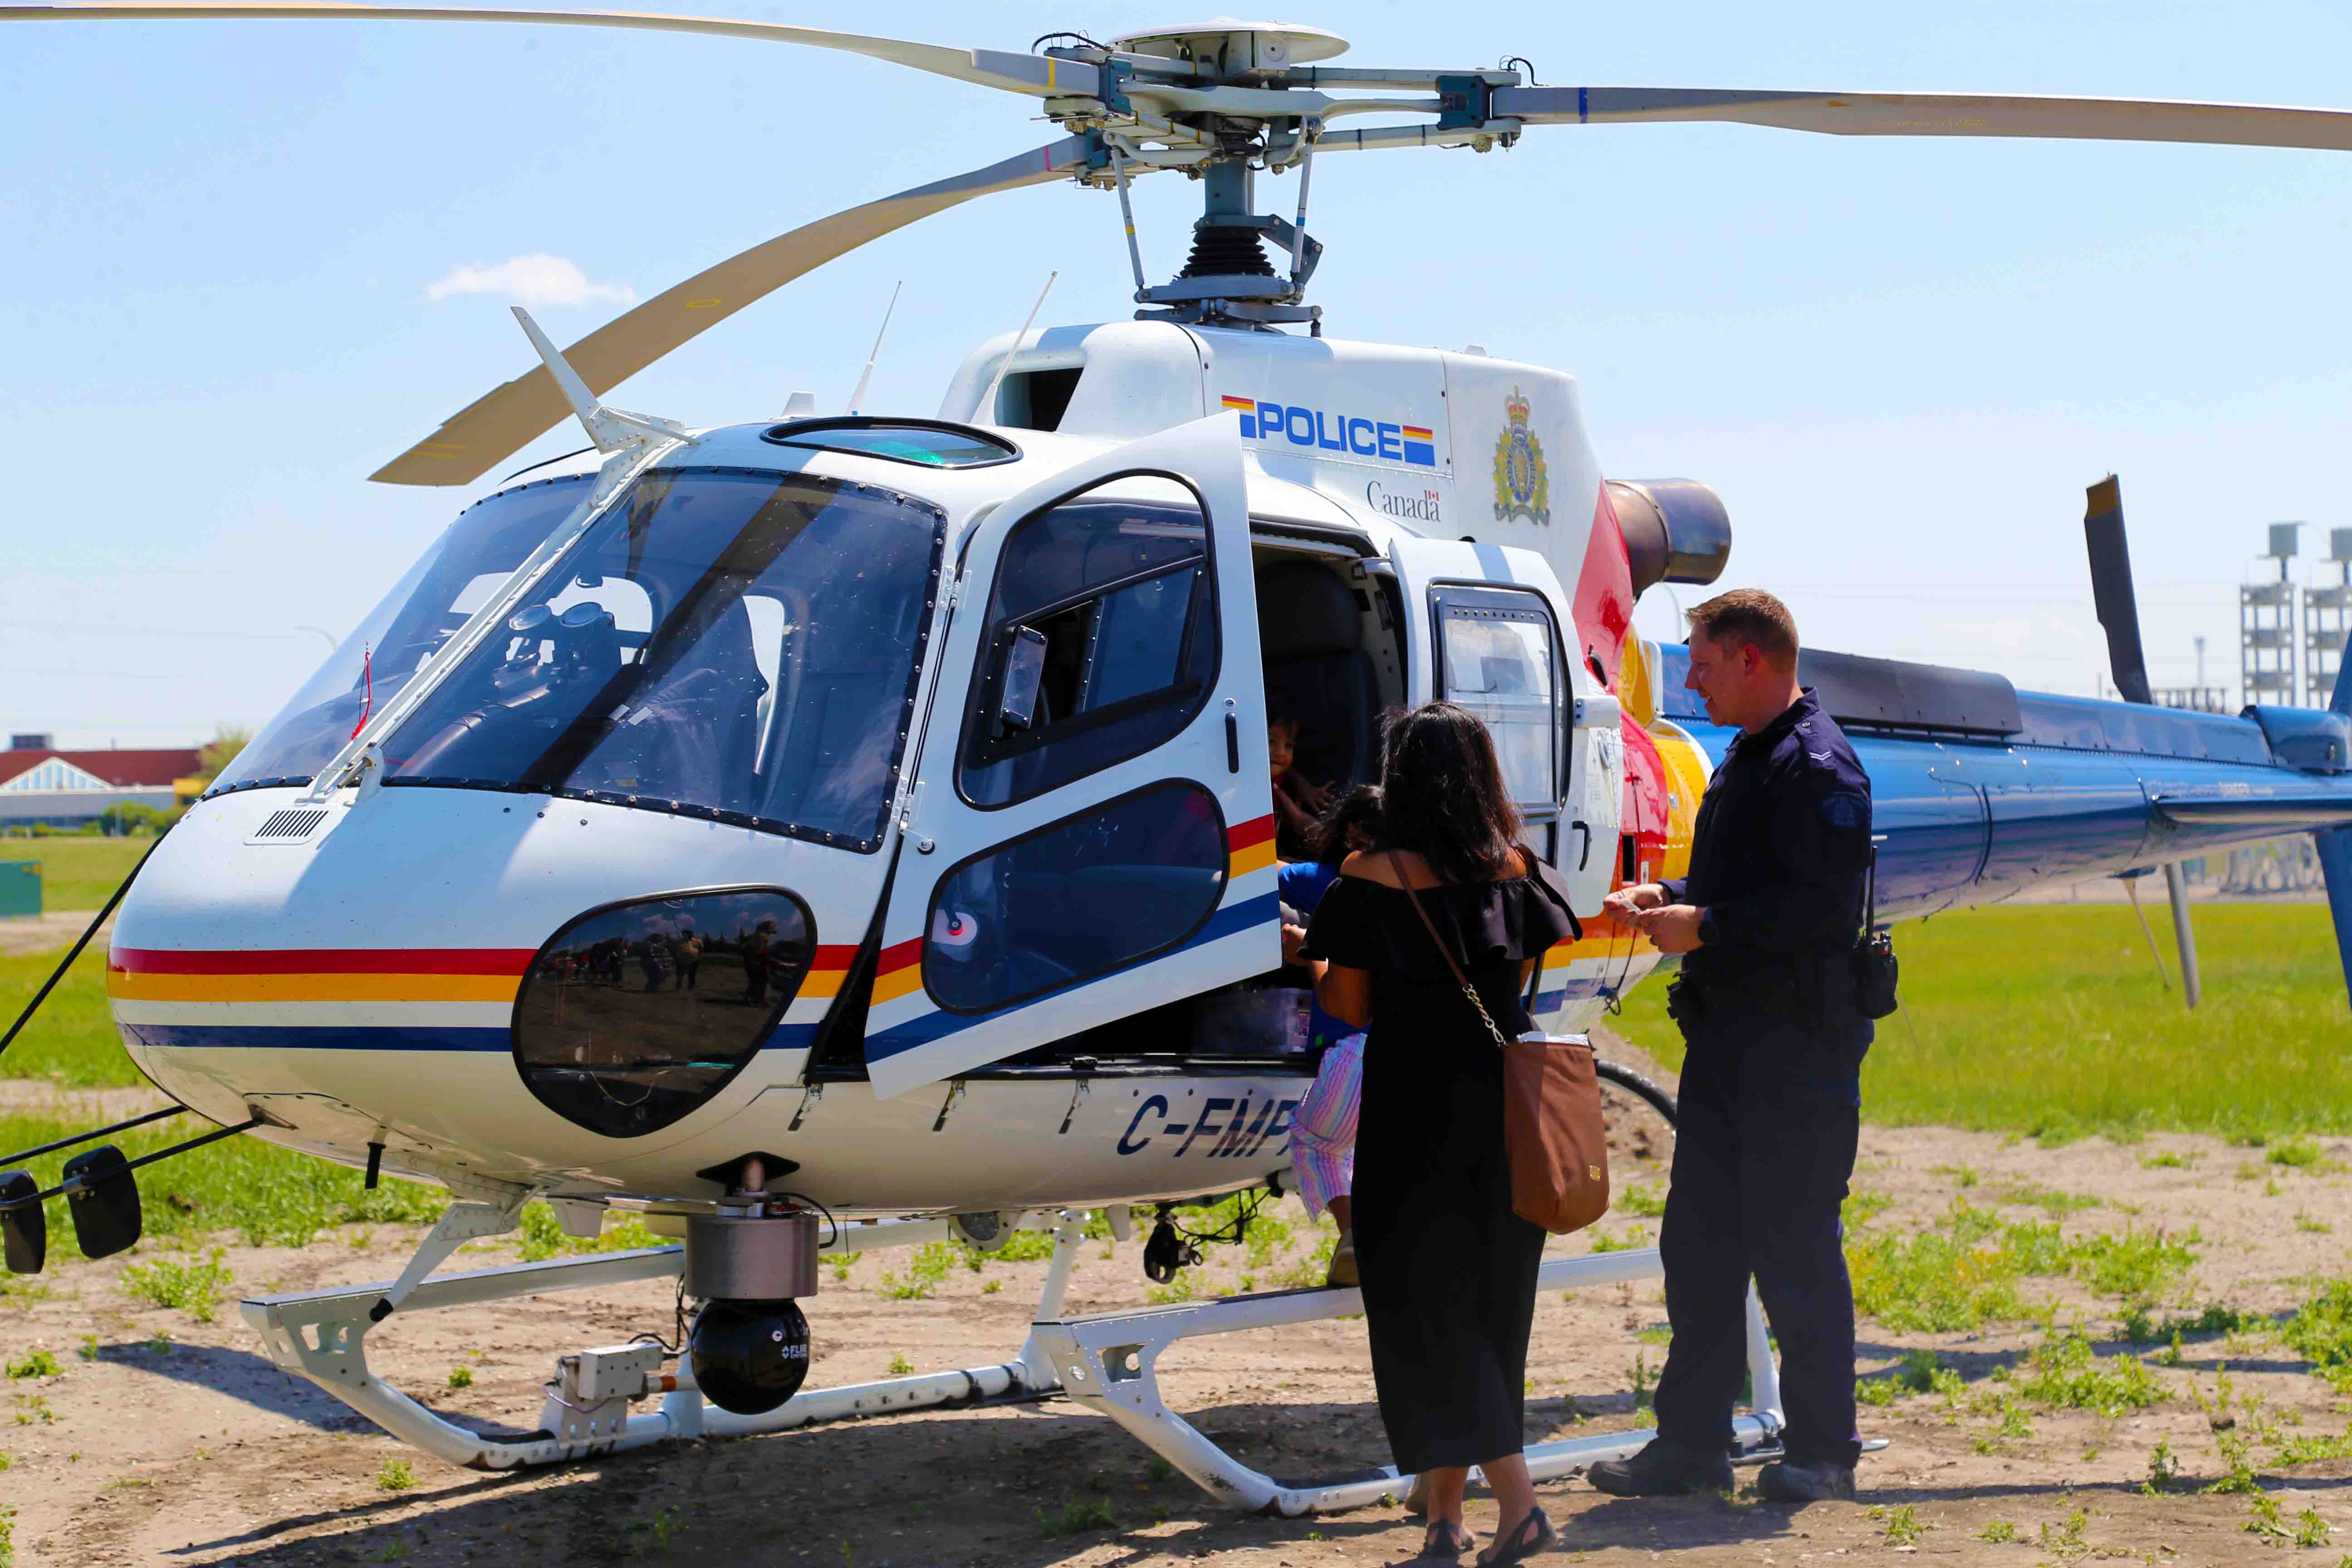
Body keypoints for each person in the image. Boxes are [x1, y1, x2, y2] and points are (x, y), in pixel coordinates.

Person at [1588, 588, 1875, 1505]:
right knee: (1700, 1250)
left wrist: (1701, 925)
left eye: (1704, 665)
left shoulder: (1819, 769)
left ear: (1751, 658)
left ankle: (1823, 1453)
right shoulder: (1750, 760)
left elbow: (1817, 912)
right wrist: (1668, 896)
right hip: (1728, 1050)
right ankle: (1691, 1446)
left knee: (1795, 1253)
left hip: (1796, 1053)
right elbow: (1742, 886)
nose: (1694, 682)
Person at [1293, 702, 1580, 1566]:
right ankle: (1444, 1526)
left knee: (1424, 1317)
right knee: (1488, 1316)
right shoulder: (1519, 868)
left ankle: (1520, 1509)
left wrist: (1310, 952)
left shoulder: (1369, 877)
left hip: (1413, 1117)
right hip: (1507, 1117)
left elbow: (1346, 1005)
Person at [1276, 784, 1383, 1287]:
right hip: (1426, 1050)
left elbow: (1339, 998)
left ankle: (1355, 1234)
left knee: (1319, 1145)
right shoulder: (1416, 889)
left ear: (1354, 832)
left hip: (1356, 1052)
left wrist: (1309, 950)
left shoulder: (1331, 881)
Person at [1268, 703, 1333, 858]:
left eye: (1289, 745)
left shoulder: (1275, 773)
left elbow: (1287, 770)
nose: (1281, 752)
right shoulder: (1253, 786)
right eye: (1271, 742)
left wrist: (1304, 787)